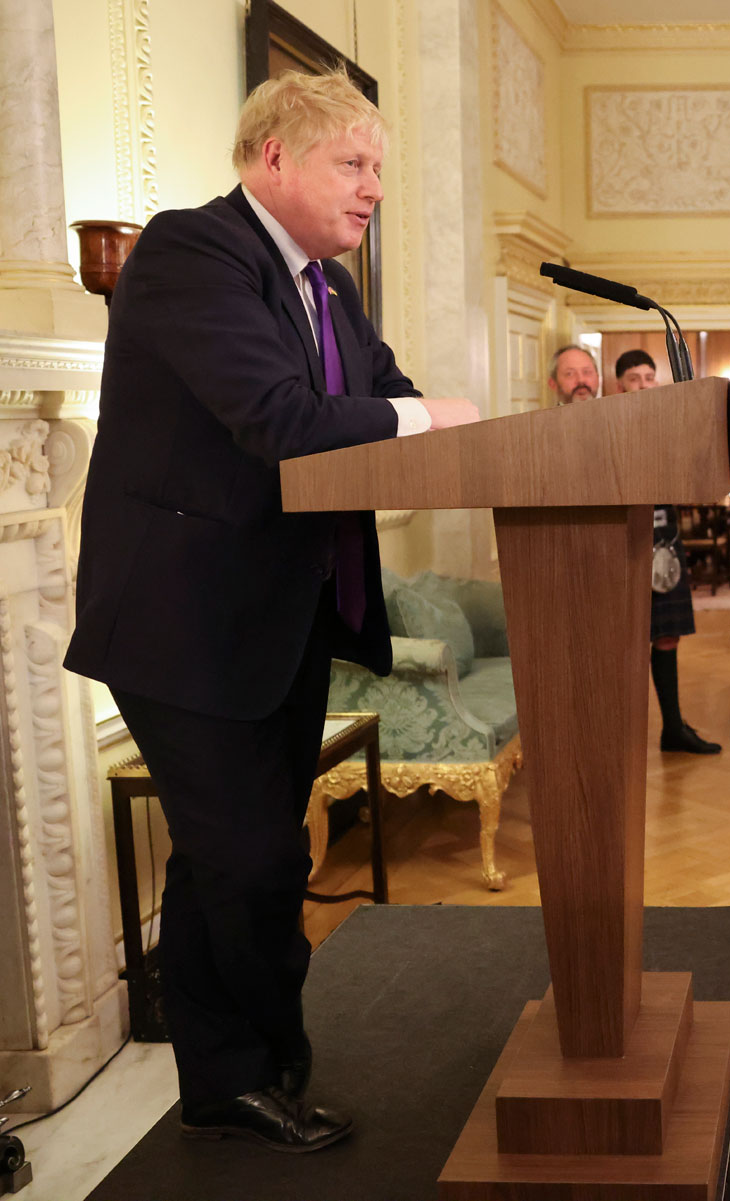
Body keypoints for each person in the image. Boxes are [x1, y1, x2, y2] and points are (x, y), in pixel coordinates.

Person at [63, 69, 480, 1151]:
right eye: (354, 162)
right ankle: (262, 1062)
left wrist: (450, 423)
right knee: (251, 859)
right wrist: (427, 414)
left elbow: (393, 405)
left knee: (233, 858)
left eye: (381, 168)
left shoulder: (329, 290)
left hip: (276, 617)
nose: (373, 187)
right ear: (274, 156)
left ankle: (224, 1073)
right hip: (180, 621)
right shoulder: (190, 252)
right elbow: (287, 417)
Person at [588, 348, 721, 754]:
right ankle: (617, 738)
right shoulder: (603, 428)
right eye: (635, 379)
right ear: (618, 387)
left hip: (666, 544)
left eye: (650, 377)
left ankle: (673, 728)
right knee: (623, 643)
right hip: (621, 546)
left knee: (667, 638)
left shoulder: (669, 429)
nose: (644, 385)